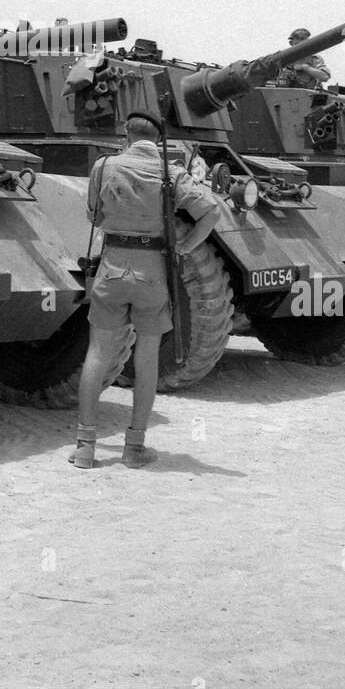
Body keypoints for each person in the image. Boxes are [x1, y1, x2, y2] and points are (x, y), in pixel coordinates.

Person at [70, 111, 219, 470]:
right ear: (157, 139)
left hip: (113, 266)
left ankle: (86, 448)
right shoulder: (172, 172)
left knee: (97, 355)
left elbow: (93, 216)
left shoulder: (104, 166)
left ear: (127, 135)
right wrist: (184, 247)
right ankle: (134, 447)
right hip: (154, 271)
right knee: (147, 358)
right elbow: (211, 212)